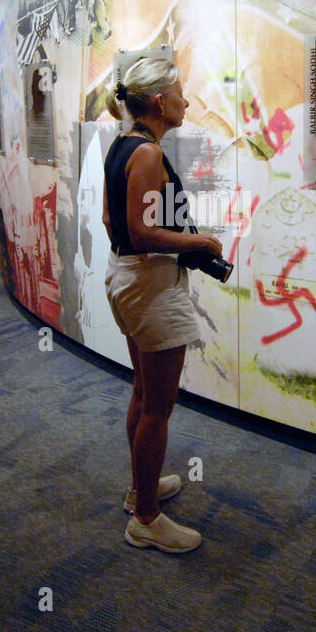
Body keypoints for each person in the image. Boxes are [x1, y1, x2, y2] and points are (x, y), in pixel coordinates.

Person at [102, 58, 223, 553]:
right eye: (179, 93)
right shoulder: (148, 154)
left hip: (128, 277)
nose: (186, 101)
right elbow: (141, 230)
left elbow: (113, 223)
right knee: (158, 407)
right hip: (151, 285)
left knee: (142, 393)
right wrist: (202, 243)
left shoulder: (122, 145)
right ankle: (147, 519)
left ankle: (140, 492)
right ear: (158, 102)